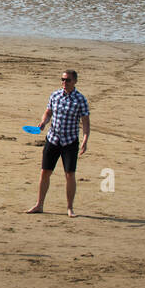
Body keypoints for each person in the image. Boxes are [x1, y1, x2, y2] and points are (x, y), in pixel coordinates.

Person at [27, 70, 91, 217]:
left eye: (67, 80)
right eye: (62, 79)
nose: (64, 82)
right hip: (53, 139)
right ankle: (39, 204)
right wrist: (43, 122)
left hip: (70, 142)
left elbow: (86, 122)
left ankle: (70, 208)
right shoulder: (55, 95)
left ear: (75, 81)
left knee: (69, 174)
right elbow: (48, 112)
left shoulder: (80, 99)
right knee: (45, 172)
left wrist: (85, 140)